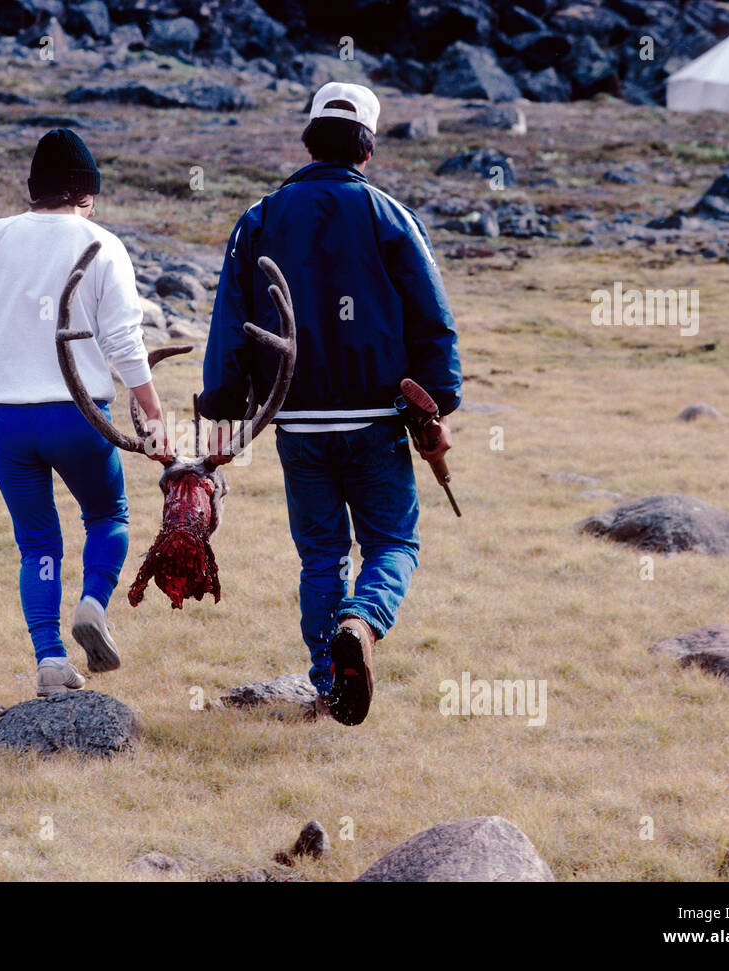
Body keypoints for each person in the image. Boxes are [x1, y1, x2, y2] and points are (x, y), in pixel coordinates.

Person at [198, 83, 462, 726]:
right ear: (367, 151)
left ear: (309, 139)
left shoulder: (260, 217)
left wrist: (226, 406)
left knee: (320, 556)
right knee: (394, 541)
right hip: (376, 419)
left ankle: (330, 686)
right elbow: (432, 318)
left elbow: (230, 317)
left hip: (296, 422)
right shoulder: (389, 216)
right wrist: (437, 403)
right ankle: (362, 623)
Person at [0, 128, 172, 698]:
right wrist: (150, 408)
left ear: (34, 190)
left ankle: (50, 659)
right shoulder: (101, 243)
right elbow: (124, 340)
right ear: (85, 194)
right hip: (78, 414)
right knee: (107, 516)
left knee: (38, 544)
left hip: (5, 417)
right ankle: (94, 604)